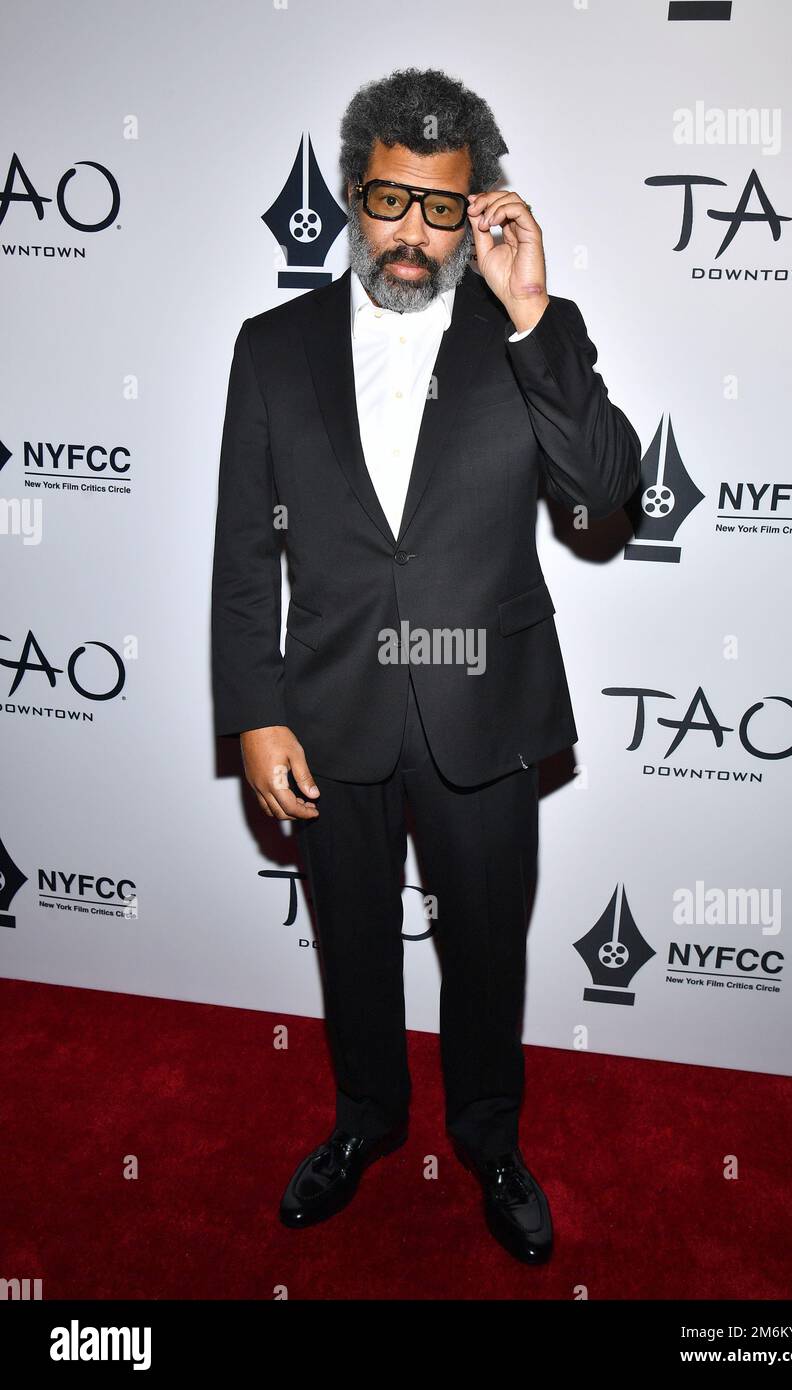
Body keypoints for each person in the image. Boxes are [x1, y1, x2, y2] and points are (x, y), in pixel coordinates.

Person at [210, 67, 641, 1265]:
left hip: (483, 709)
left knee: (486, 945)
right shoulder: (272, 346)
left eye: (440, 207)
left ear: (478, 212)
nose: (412, 232)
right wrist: (252, 709)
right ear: (352, 197)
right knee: (349, 936)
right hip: (328, 707)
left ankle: (492, 1142)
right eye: (390, 201)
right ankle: (363, 1123)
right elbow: (246, 549)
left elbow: (609, 494)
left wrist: (533, 310)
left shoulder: (523, 333)